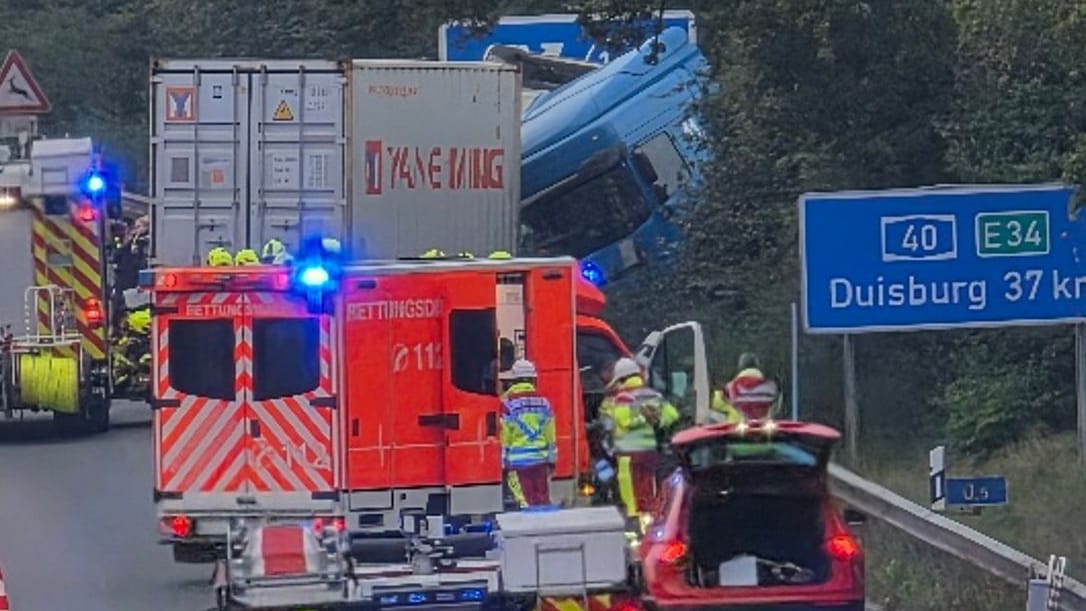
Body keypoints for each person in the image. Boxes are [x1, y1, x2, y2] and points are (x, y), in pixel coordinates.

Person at [599, 357, 679, 520]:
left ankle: (635, 526)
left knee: (632, 499)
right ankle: (650, 522)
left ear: (621, 378)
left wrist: (641, 417)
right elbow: (673, 416)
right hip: (649, 453)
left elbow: (624, 421)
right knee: (649, 492)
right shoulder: (652, 395)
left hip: (628, 455)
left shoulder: (622, 397)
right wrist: (656, 419)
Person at [499, 359, 556, 509]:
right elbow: (550, 434)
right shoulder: (544, 402)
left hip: (518, 462)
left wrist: (503, 461)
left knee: (525, 502)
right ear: (533, 379)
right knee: (542, 500)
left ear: (513, 380)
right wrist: (552, 458)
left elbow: (505, 436)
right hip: (540, 460)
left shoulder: (507, 404)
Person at [719, 352, 778, 421]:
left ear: (740, 366)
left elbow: (722, 400)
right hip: (765, 426)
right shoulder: (770, 387)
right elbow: (775, 404)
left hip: (737, 426)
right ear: (757, 366)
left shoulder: (731, 386)